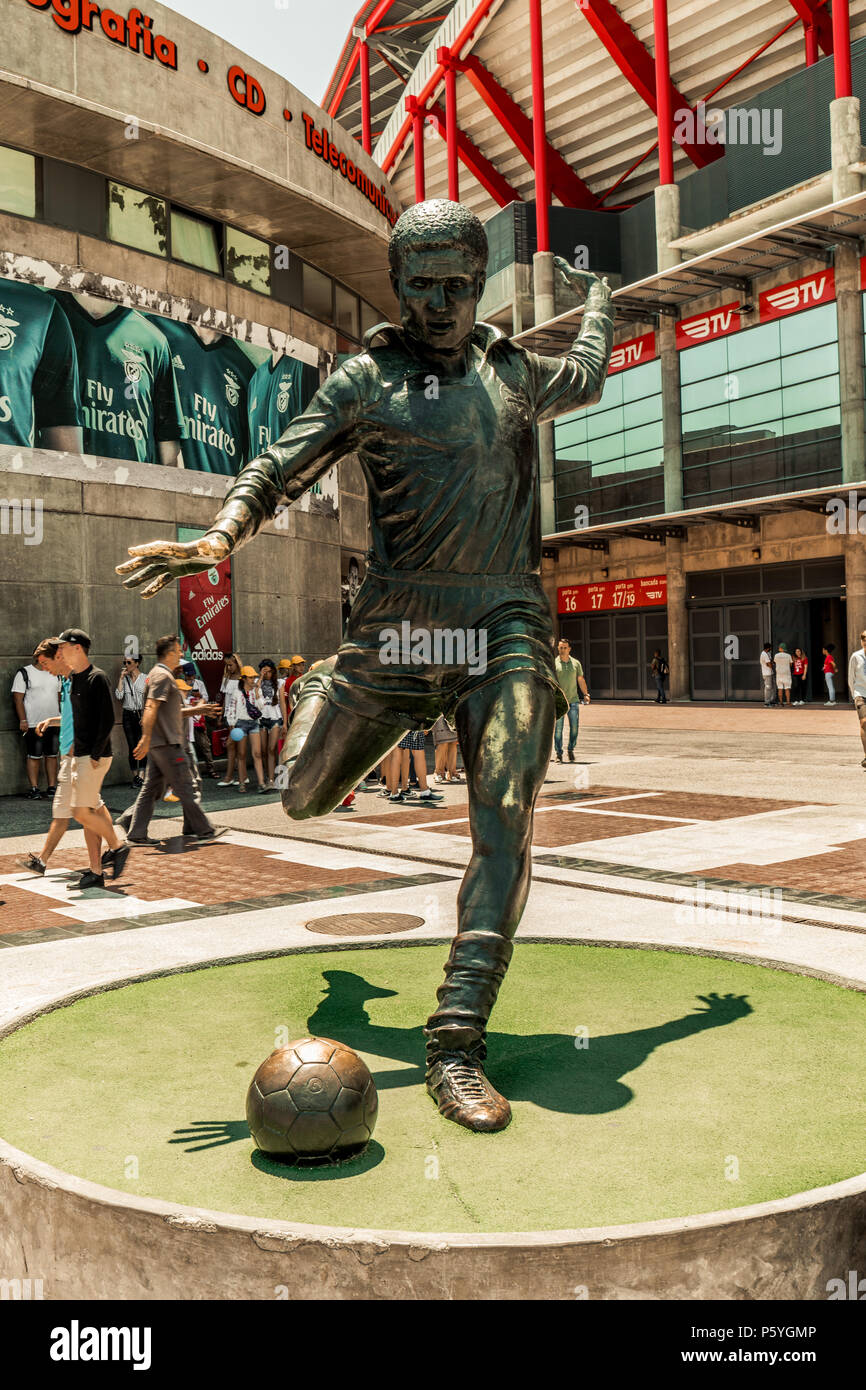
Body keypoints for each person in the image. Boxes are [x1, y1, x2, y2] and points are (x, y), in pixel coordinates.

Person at [117, 199, 613, 1134]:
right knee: (302, 796)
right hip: (394, 634)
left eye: (456, 286)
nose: (438, 305)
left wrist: (605, 303)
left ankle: (455, 1043)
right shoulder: (365, 380)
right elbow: (277, 464)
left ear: (480, 283)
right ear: (399, 288)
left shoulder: (512, 373)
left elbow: (587, 372)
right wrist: (217, 535)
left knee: (506, 814)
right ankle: (323, 690)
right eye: (419, 287)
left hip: (501, 624)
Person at [15, 638, 116, 880]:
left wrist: (80, 749)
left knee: (83, 811)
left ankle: (112, 853)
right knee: (80, 809)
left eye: (45, 662)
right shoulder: (67, 681)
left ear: (59, 656)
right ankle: (106, 856)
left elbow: (101, 720)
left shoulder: (82, 680)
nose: (44, 668)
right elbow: (74, 718)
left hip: (78, 756)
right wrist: (53, 720)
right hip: (71, 755)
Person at [122, 634, 225, 843]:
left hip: (161, 744)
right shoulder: (162, 675)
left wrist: (197, 709)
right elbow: (151, 707)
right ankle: (205, 830)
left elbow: (170, 710)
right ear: (169, 653)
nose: (180, 654)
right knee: (186, 786)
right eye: (178, 651)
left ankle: (133, 829)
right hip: (168, 744)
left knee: (152, 789)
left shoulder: (159, 674)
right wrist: (145, 738)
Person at [52, 629, 130, 889]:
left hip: (94, 757)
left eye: (63, 647)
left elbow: (107, 719)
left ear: (78, 648)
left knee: (80, 812)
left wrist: (95, 752)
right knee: (89, 812)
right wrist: (75, 745)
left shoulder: (98, 677)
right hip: (81, 754)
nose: (60, 652)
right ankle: (96, 872)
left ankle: (118, 846)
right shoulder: (75, 679)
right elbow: (81, 719)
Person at [12, 646, 61, 798]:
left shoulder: (56, 673)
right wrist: (23, 720)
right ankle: (34, 788)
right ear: (40, 657)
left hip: (53, 722)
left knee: (52, 755)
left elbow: (59, 697)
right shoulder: (24, 673)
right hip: (33, 722)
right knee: (34, 755)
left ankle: (52, 787)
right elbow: (17, 699)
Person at [224, 667, 268, 793]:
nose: (253, 679)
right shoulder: (237, 692)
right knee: (241, 754)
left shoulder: (256, 691)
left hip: (254, 723)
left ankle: (261, 783)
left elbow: (262, 707)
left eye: (253, 677)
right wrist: (232, 725)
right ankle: (242, 782)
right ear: (243, 679)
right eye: (250, 677)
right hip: (240, 724)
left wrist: (258, 693)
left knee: (257, 753)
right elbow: (231, 709)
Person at [553, 637, 589, 762]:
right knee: (558, 730)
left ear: (569, 649)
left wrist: (586, 694)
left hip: (573, 701)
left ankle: (570, 749)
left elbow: (580, 679)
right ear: (558, 648)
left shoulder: (576, 663)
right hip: (559, 702)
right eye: (560, 648)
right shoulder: (554, 663)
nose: (562, 650)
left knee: (574, 728)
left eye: (564, 648)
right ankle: (558, 753)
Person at [115, 653, 147, 786]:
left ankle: (142, 774)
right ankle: (135, 776)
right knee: (132, 746)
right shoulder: (125, 679)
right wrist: (121, 679)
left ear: (137, 663)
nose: (126, 665)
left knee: (142, 745)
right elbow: (119, 695)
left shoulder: (145, 678)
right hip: (127, 715)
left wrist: (145, 715)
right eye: (125, 663)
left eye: (128, 662)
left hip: (140, 715)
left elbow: (148, 698)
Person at [180, 660, 215, 778]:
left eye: (192, 674)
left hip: (198, 718)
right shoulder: (180, 684)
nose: (191, 676)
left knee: (204, 744)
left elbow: (206, 697)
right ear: (184, 674)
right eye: (188, 674)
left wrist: (199, 697)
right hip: (185, 718)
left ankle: (211, 769)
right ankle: (188, 773)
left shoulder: (199, 683)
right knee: (187, 747)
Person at [254, 660, 282, 788]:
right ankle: (266, 775)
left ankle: (271, 779)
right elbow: (255, 699)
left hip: (275, 718)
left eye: (270, 671)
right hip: (261, 719)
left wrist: (285, 724)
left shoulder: (279, 683)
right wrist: (260, 677)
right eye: (265, 671)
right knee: (263, 750)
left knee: (271, 749)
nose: (267, 674)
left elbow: (283, 704)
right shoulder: (256, 683)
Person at [217, 652, 244, 787]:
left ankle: (233, 777)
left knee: (232, 745)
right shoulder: (226, 678)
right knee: (233, 746)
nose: (228, 668)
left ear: (237, 663)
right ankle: (238, 777)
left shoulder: (242, 678)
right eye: (226, 665)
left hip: (239, 716)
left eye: (230, 665)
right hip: (229, 716)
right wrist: (221, 715)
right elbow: (225, 699)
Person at [848, 629, 866, 768]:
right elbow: (851, 677)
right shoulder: (856, 656)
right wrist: (855, 694)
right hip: (861, 694)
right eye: (863, 638)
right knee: (864, 722)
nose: (865, 640)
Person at [432, 714, 462, 784]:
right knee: (442, 743)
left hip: (452, 711)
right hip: (439, 712)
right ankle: (438, 773)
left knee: (453, 743)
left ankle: (451, 773)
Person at [774, 643, 793, 707]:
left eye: (779, 647)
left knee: (780, 688)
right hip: (786, 674)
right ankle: (788, 702)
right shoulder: (788, 655)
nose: (778, 648)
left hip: (779, 674)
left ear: (781, 648)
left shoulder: (776, 655)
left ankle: (781, 702)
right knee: (787, 688)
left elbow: (775, 662)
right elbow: (791, 664)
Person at [760, 642, 776, 707]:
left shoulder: (768, 653)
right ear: (768, 648)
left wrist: (772, 663)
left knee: (772, 687)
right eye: (770, 648)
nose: (770, 649)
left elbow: (771, 662)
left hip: (770, 673)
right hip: (767, 673)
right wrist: (773, 666)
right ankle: (766, 703)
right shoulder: (764, 654)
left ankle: (771, 701)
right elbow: (768, 664)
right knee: (768, 688)